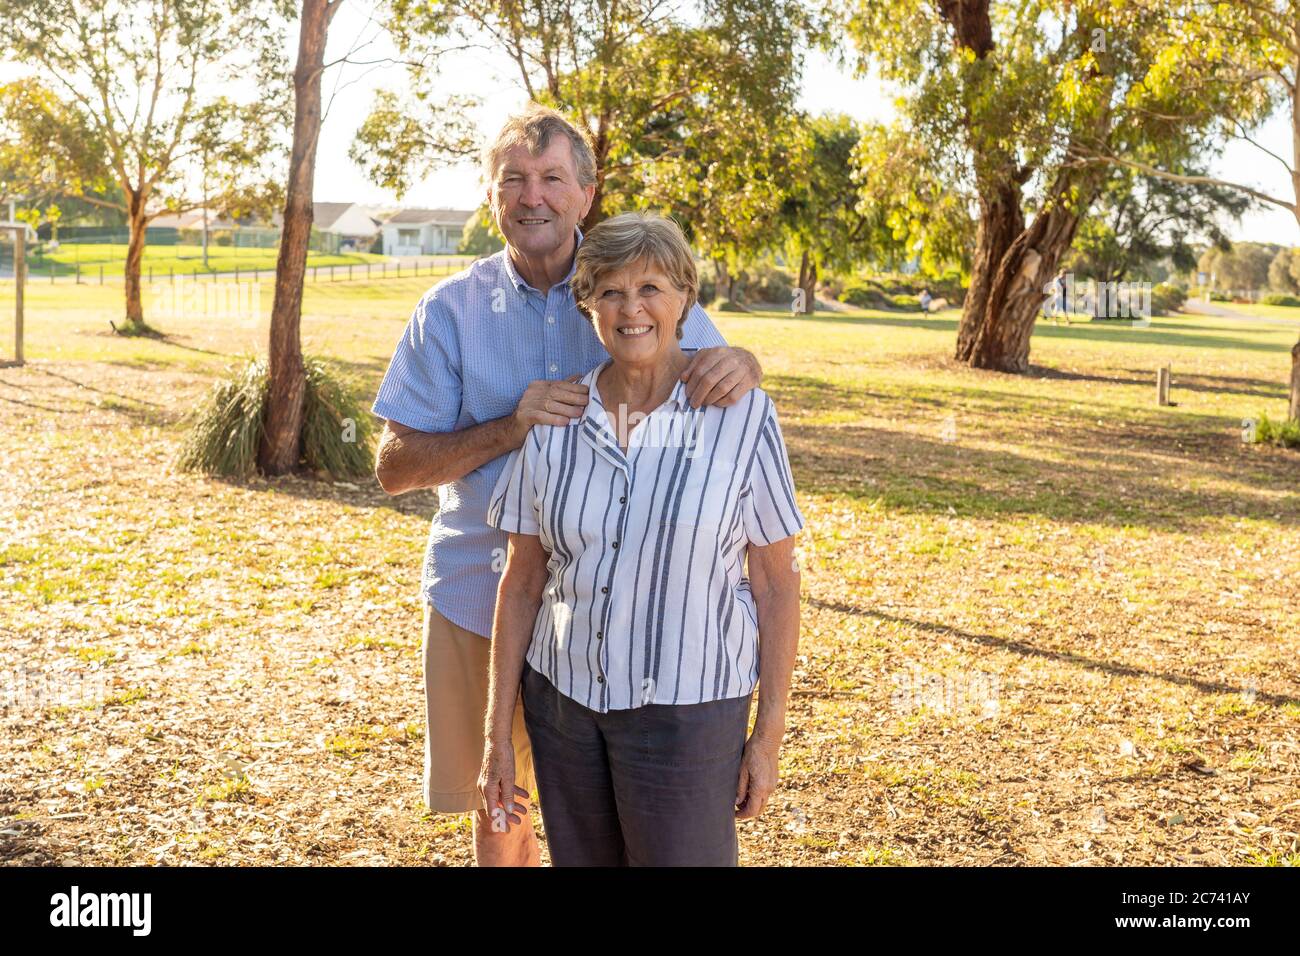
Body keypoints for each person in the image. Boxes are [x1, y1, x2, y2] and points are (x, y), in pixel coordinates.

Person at [370, 105, 762, 867]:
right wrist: (507, 427)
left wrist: (748, 362)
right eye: (512, 179)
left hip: (607, 618)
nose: (532, 195)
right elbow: (393, 467)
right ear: (492, 198)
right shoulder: (447, 312)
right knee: (500, 812)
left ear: (586, 192)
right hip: (478, 596)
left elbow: (716, 367)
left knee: (606, 825)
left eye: (552, 177)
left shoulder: (628, 286)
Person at [479, 212, 803, 866]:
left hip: (688, 713)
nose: (632, 309)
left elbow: (775, 584)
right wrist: (495, 738)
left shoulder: (741, 417)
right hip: (563, 706)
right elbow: (521, 583)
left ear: (684, 298)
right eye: (612, 291)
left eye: (652, 288)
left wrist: (766, 739)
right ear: (588, 304)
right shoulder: (555, 417)